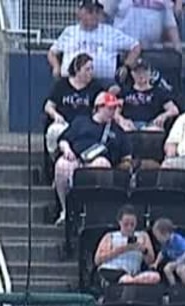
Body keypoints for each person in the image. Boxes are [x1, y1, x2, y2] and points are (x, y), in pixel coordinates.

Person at [54, 91, 132, 223]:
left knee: (101, 164)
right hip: (77, 159)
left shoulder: (117, 130)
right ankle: (65, 211)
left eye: (115, 108)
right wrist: (67, 150)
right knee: (62, 165)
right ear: (98, 108)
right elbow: (63, 140)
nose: (112, 111)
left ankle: (94, 212)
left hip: (100, 163)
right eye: (109, 108)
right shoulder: (81, 121)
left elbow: (127, 157)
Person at [48, 0, 140, 88]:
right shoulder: (70, 32)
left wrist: (126, 66)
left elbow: (135, 46)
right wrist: (56, 66)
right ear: (79, 13)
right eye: (90, 11)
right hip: (73, 82)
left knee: (114, 90)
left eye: (97, 12)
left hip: (103, 83)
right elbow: (52, 52)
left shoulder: (110, 32)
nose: (94, 15)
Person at [43, 55, 103, 157]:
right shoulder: (61, 85)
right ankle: (54, 160)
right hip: (64, 123)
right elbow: (48, 106)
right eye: (87, 69)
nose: (91, 72)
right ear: (77, 69)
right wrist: (56, 115)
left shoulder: (95, 87)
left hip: (84, 125)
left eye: (92, 69)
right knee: (53, 131)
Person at [93, 205, 160, 290]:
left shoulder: (143, 236)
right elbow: (98, 260)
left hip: (133, 273)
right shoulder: (110, 236)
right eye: (126, 224)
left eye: (132, 224)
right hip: (112, 270)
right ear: (120, 222)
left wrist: (144, 250)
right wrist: (122, 249)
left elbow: (150, 261)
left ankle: (133, 281)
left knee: (155, 277)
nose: (129, 227)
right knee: (126, 281)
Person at [119, 58, 178, 131]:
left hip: (151, 125)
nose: (141, 75)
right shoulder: (125, 91)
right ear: (132, 74)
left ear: (150, 72)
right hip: (129, 126)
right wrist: (122, 120)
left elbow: (174, 110)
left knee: (155, 130)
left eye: (144, 71)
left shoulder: (159, 92)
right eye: (137, 72)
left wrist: (163, 116)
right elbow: (115, 112)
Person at [102, 0, 179, 54]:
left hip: (151, 52)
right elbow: (103, 13)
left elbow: (170, 24)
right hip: (124, 50)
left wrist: (178, 48)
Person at [151, 217, 185, 285]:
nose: (157, 239)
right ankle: (173, 287)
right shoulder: (165, 243)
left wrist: (178, 262)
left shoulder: (178, 240)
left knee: (180, 270)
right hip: (179, 260)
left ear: (166, 234)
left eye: (158, 237)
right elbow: (162, 253)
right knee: (167, 269)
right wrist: (156, 263)